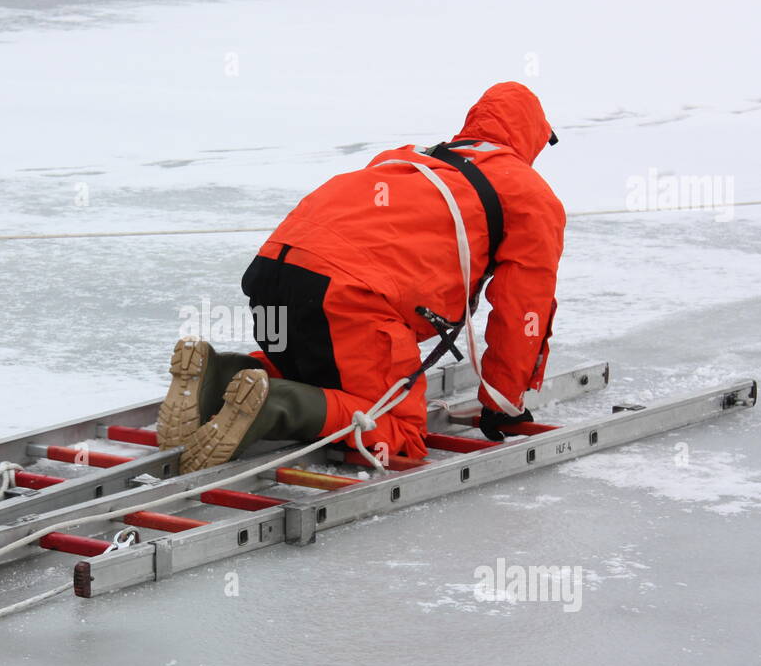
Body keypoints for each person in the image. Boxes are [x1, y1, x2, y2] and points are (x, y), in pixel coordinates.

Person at [158, 81, 565, 475]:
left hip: (272, 275)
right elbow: (523, 309)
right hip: (351, 298)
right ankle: (273, 405)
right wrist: (503, 404)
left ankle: (216, 376)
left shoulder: (410, 157)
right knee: (398, 428)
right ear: (532, 137)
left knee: (317, 371)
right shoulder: (529, 195)